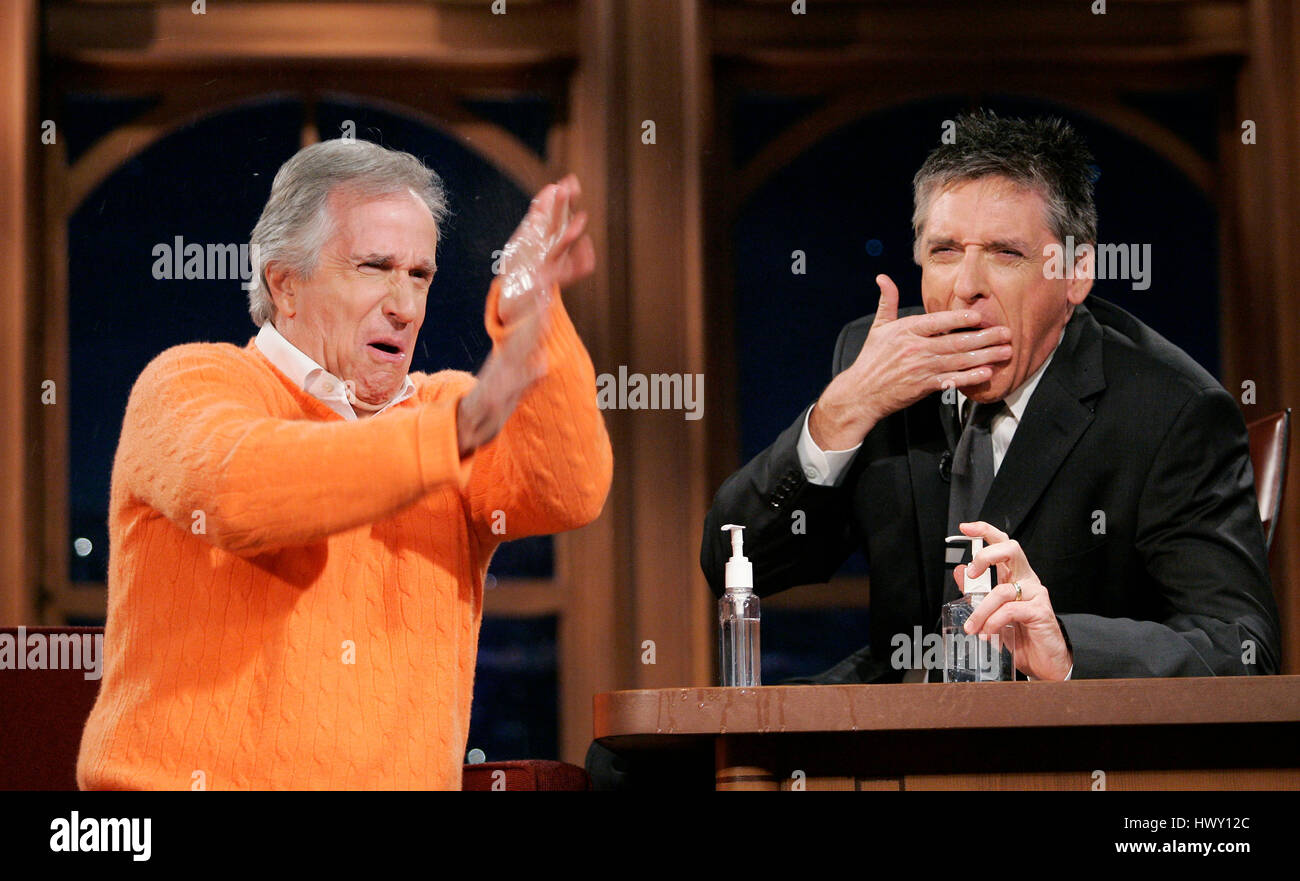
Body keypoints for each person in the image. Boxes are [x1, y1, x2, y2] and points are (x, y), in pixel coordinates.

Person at [77, 139, 612, 789]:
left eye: (420, 275)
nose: (405, 304)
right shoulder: (190, 384)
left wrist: (534, 310)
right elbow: (241, 488)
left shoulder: (442, 410)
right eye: (374, 267)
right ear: (285, 282)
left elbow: (569, 488)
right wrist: (455, 431)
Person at [701, 111, 1280, 683]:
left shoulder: (1170, 409)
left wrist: (1067, 648)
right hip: (897, 714)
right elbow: (738, 562)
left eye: (1006, 253)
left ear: (1077, 272)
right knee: (628, 764)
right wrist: (840, 413)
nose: (965, 286)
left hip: (1066, 741)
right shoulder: (876, 363)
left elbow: (1240, 646)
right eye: (945, 251)